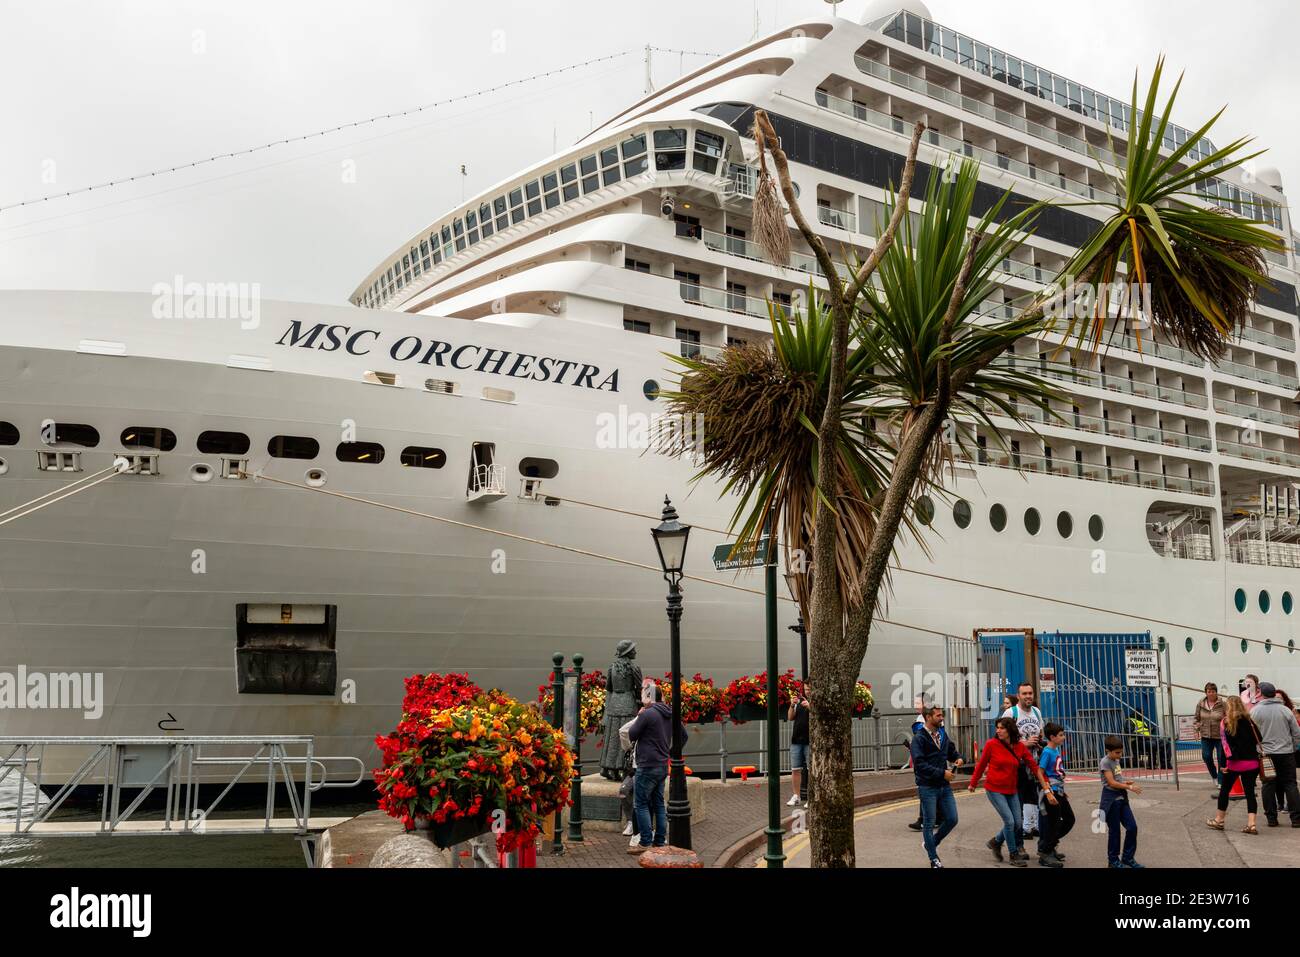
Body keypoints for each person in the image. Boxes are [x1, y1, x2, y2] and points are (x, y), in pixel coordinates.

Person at [968, 716, 1056, 867]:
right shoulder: (991, 744)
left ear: (1010, 730)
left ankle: (996, 841)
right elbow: (981, 765)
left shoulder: (1019, 747)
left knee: (1018, 823)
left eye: (1002, 728)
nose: (998, 730)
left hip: (1011, 789)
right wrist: (973, 783)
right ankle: (1013, 854)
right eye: (998, 728)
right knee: (1009, 822)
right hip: (994, 789)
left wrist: (1046, 785)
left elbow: (1034, 767)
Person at [626, 683, 688, 853]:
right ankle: (659, 841)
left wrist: (639, 716)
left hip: (646, 765)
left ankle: (645, 841)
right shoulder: (670, 713)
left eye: (643, 695)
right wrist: (670, 753)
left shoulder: (647, 714)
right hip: (661, 764)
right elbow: (684, 736)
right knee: (659, 804)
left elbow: (631, 734)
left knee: (641, 804)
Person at [911, 703, 964, 868]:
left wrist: (957, 757)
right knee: (929, 822)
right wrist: (942, 773)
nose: (942, 718)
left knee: (952, 819)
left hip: (944, 786)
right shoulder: (919, 738)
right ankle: (934, 859)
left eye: (942, 715)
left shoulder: (942, 733)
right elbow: (919, 765)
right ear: (928, 717)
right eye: (938, 716)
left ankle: (931, 843)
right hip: (927, 787)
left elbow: (950, 750)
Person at [1207, 695, 1261, 835]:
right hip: (1252, 763)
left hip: (1235, 764)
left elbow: (1225, 746)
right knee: (1250, 794)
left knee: (1224, 791)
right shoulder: (1249, 721)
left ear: (1229, 707)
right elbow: (1259, 739)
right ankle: (1252, 824)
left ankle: (1219, 820)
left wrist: (1223, 765)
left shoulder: (1226, 722)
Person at [1251, 682, 1300, 827]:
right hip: (1286, 753)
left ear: (1261, 693)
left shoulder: (1255, 711)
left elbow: (1252, 734)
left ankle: (1271, 818)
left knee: (1268, 784)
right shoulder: (1285, 710)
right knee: (1290, 784)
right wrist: (1292, 746)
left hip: (1266, 754)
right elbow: (1297, 733)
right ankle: (1296, 818)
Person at [1002, 682, 1044, 838]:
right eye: (1024, 693)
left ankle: (1029, 827)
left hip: (1033, 763)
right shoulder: (1011, 713)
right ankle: (1014, 833)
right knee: (1017, 800)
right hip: (1015, 765)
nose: (1028, 696)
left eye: (1030, 693)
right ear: (1018, 696)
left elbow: (1041, 733)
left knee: (1032, 795)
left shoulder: (1037, 712)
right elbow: (1002, 739)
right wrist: (1025, 744)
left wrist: (1039, 743)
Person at [1099, 735, 1144, 868]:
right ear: (1108, 750)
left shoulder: (1116, 760)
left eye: (1121, 752)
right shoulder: (1105, 762)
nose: (1120, 755)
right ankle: (1113, 860)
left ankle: (1127, 858)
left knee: (1132, 827)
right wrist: (1129, 787)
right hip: (1111, 799)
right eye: (1117, 752)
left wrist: (1124, 783)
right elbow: (1111, 782)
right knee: (1115, 831)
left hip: (1121, 798)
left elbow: (1117, 780)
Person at [1036, 723, 1074, 868]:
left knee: (1069, 819)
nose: (1063, 737)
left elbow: (1057, 772)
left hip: (1058, 790)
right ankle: (1045, 852)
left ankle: (1048, 844)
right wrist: (1047, 791)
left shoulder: (1055, 749)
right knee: (1053, 823)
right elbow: (1040, 772)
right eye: (1061, 735)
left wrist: (1062, 790)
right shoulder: (1047, 752)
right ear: (1052, 737)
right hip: (1051, 791)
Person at [1194, 683, 1227, 789]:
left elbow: (1228, 717)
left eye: (1213, 691)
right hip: (1206, 736)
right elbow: (1196, 718)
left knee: (1221, 758)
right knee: (1206, 756)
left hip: (1220, 736)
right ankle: (1214, 776)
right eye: (1209, 691)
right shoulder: (1201, 703)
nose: (1211, 693)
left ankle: (1221, 781)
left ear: (1216, 692)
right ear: (1206, 692)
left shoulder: (1222, 704)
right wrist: (1196, 730)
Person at [788, 691, 810, 807]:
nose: (808, 691)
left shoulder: (818, 700)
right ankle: (796, 796)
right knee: (795, 769)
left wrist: (810, 707)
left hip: (810, 741)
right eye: (806, 688)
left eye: (810, 688)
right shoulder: (800, 700)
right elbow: (790, 717)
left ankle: (812, 797)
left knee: (812, 770)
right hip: (796, 740)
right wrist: (792, 705)